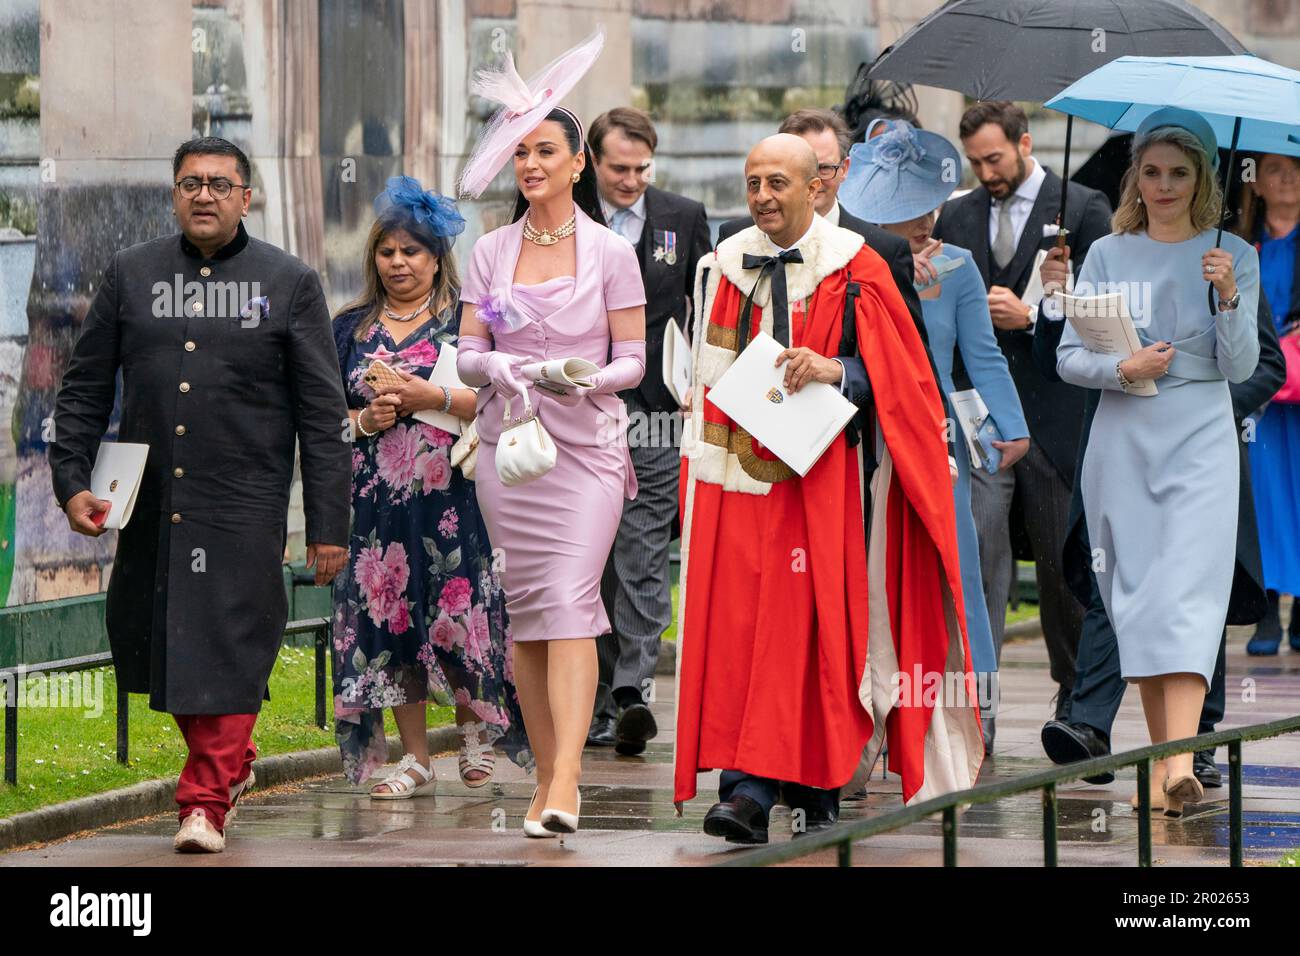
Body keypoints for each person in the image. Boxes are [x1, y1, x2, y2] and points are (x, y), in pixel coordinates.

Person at [676, 133, 981, 846]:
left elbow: (904, 376)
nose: (762, 198)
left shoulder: (862, 265)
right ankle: (745, 791)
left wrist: (837, 369)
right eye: (753, 183)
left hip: (829, 480)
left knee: (816, 630)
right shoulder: (723, 265)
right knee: (740, 626)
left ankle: (817, 785)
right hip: (737, 477)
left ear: (817, 186)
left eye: (777, 183)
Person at [50, 136, 351, 853]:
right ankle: (232, 764)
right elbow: (85, 390)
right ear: (174, 194)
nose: (205, 195)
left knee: (231, 644)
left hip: (244, 504)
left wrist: (328, 524)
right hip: (153, 500)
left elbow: (322, 411)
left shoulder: (289, 281)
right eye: (191, 183)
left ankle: (203, 802)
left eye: (220, 183)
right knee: (163, 644)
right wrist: (71, 484)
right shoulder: (131, 274)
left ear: (247, 196)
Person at [455, 30, 647, 838]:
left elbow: (634, 360)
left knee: (571, 599)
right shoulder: (489, 251)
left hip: (588, 450)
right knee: (529, 613)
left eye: (545, 152)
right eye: (519, 152)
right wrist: (496, 371)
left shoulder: (611, 252)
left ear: (578, 164)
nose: (530, 164)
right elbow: (467, 354)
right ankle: (543, 778)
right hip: (512, 453)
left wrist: (585, 377)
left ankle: (568, 775)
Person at [1047, 108, 1261, 817]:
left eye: (1180, 172)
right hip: (1124, 439)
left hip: (1200, 439)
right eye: (1152, 171)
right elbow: (1070, 359)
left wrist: (1228, 294)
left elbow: (1241, 365)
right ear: (1135, 174)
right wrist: (1123, 365)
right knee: (1138, 601)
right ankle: (1168, 766)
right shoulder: (1107, 253)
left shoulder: (1233, 253)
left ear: (1203, 177)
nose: (1165, 185)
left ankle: (1172, 765)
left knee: (1190, 599)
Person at [331, 176, 531, 797]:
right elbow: (326, 425)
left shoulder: (467, 322)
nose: (398, 263)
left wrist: (432, 397)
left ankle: (475, 737)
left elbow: (507, 398)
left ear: (437, 257)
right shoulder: (350, 329)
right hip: (376, 508)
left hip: (456, 503)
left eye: (411, 252)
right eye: (387, 253)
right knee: (391, 625)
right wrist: (366, 419)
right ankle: (414, 757)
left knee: (457, 615)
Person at [931, 101, 1113, 750]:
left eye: (996, 159)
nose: (987, 172)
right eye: (976, 162)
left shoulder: (1085, 208)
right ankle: (976, 709)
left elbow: (1103, 315)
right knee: (978, 559)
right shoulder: (954, 214)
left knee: (1065, 571)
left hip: (1056, 414)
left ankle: (1077, 704)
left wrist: (1037, 317)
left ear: (1025, 142)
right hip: (978, 419)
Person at [840, 119, 1029, 735]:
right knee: (869, 571)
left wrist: (1012, 425)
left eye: (931, 205)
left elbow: (983, 354)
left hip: (938, 433)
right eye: (907, 209)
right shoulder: (848, 264)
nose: (924, 221)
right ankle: (869, 715)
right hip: (861, 434)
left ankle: (976, 709)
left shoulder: (959, 266)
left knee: (959, 566)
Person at [585, 107, 711, 755]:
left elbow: (710, 304)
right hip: (579, 408)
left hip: (658, 406)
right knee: (593, 550)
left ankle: (632, 691)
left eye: (641, 168)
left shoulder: (682, 218)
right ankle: (597, 694)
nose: (631, 180)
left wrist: (702, 381)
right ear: (592, 162)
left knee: (640, 547)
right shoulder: (559, 214)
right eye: (618, 168)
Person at [1235, 152, 1300, 655]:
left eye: (1297, 167)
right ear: (1253, 183)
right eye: (1273, 168)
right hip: (1258, 399)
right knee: (1264, 503)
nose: (1287, 177)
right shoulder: (1238, 247)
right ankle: (1266, 611)